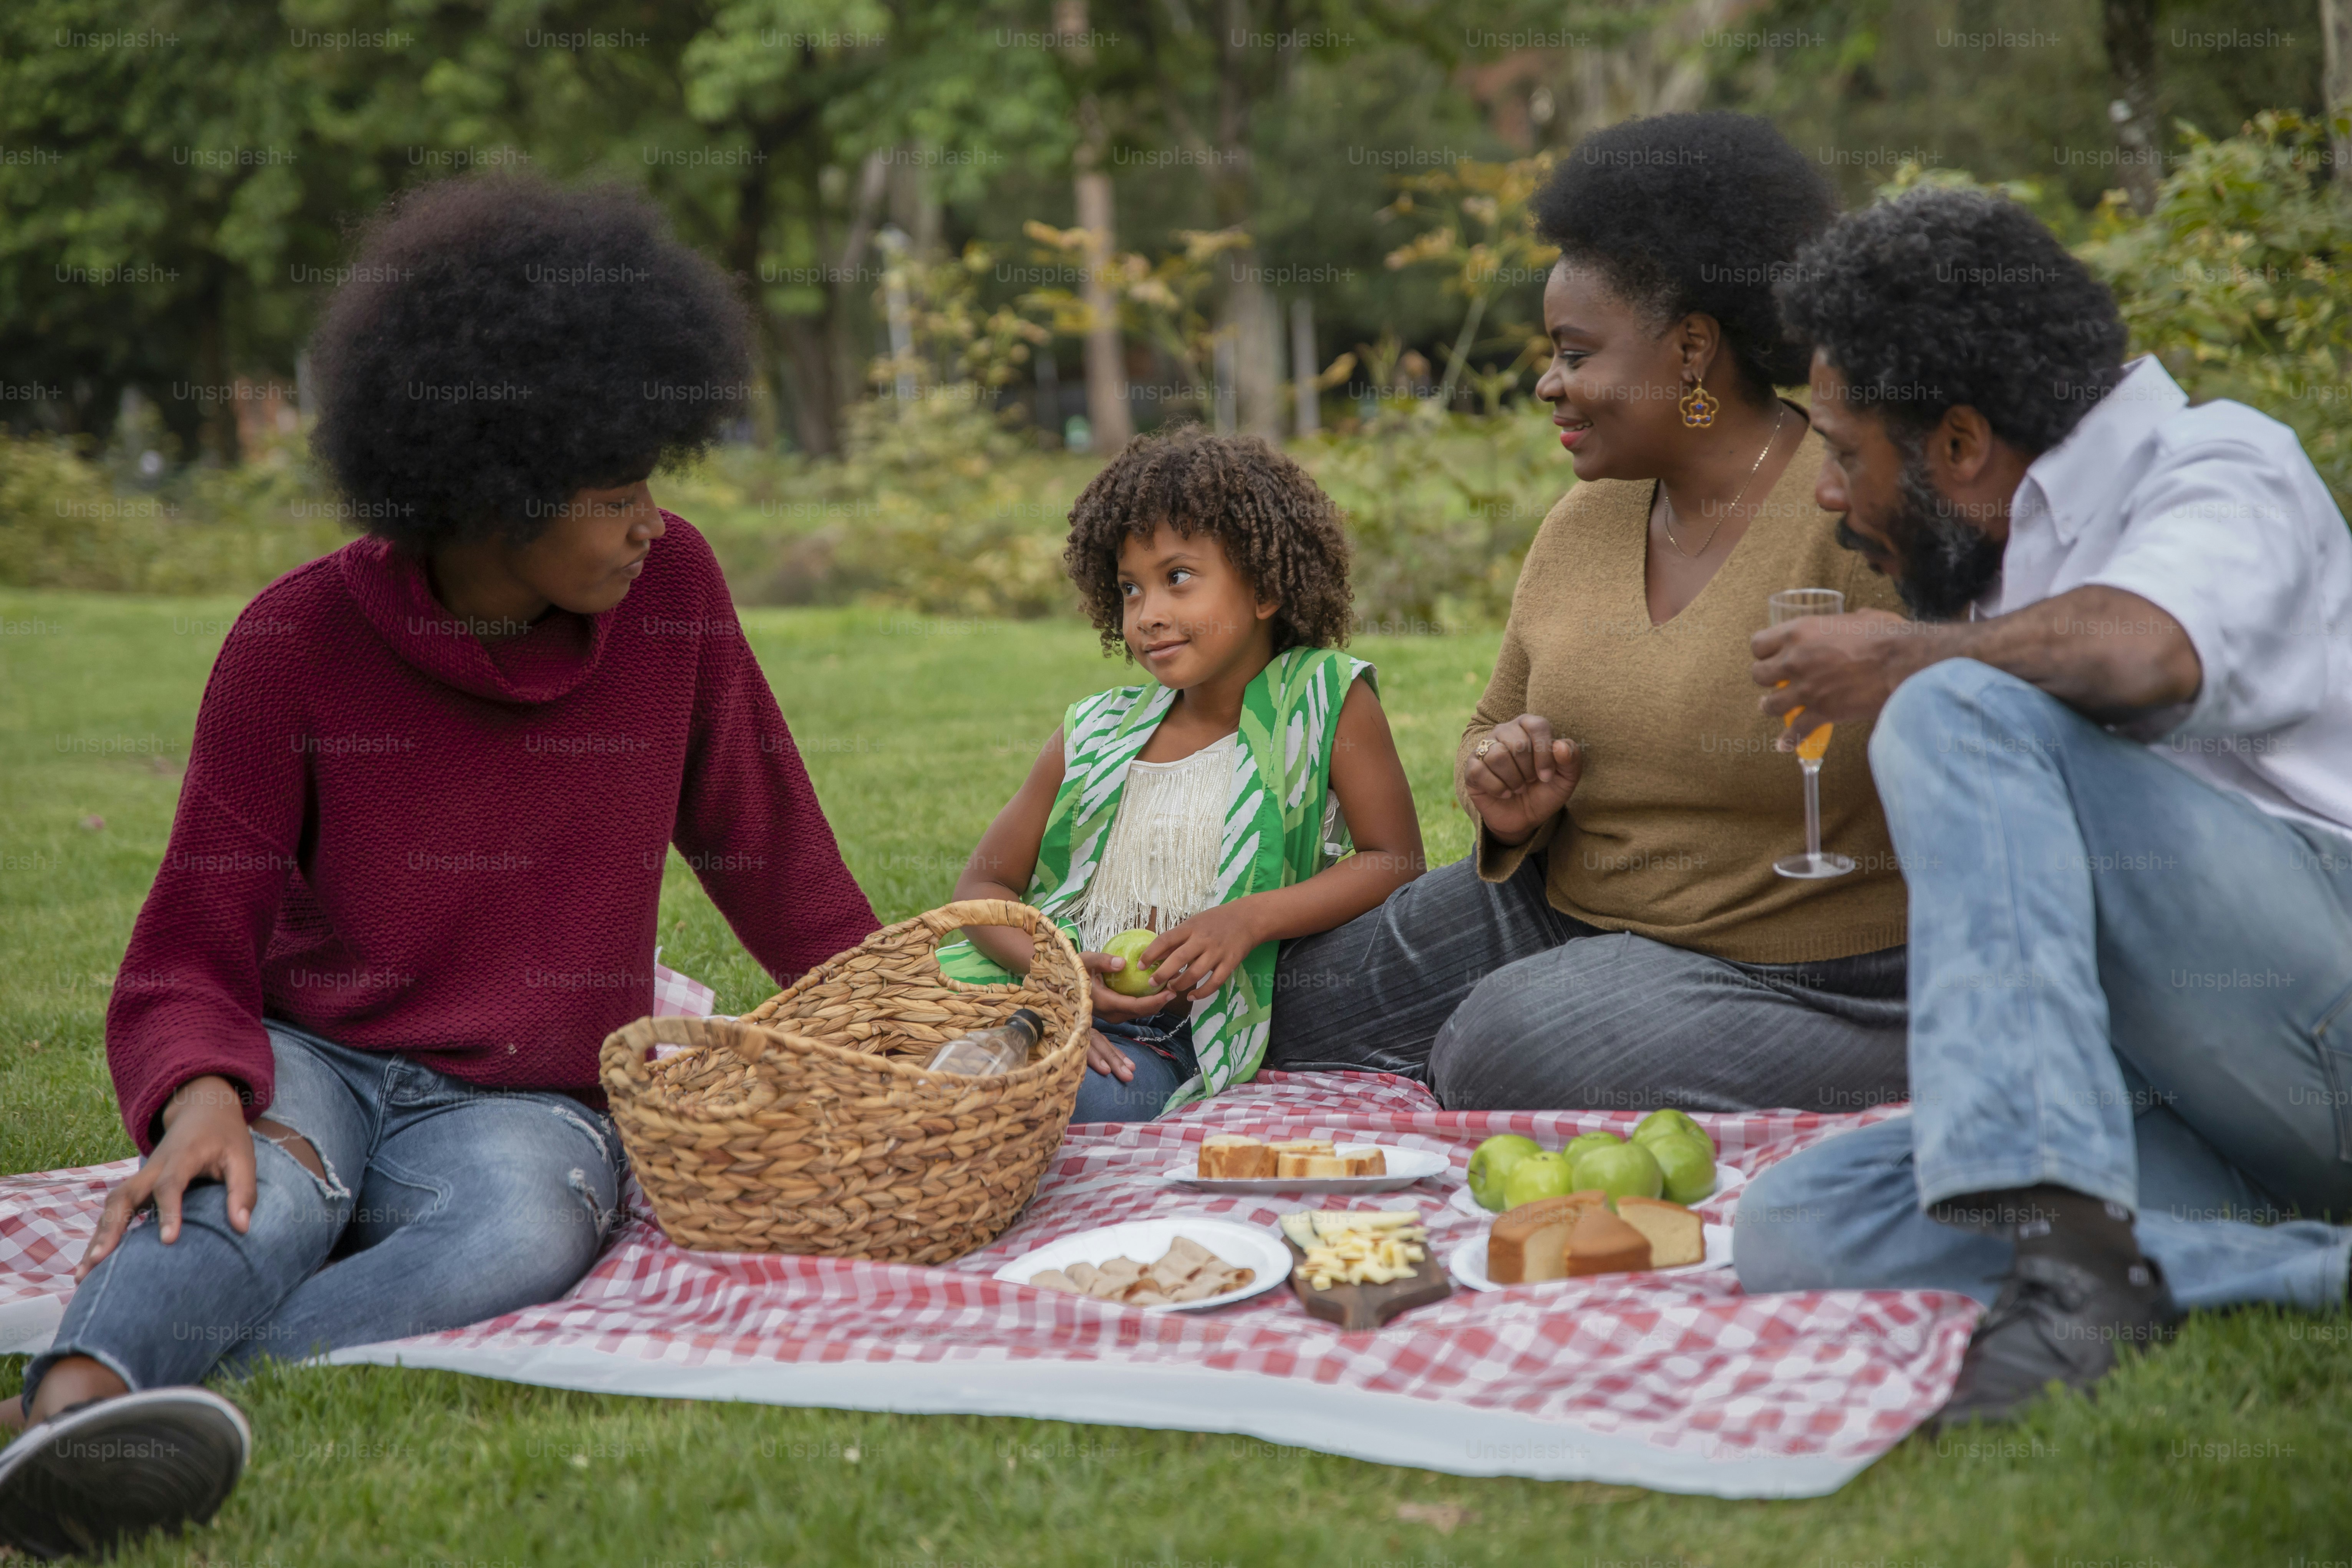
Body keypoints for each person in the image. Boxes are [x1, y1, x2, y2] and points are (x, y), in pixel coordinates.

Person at [0, 177, 878, 1555]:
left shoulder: (674, 593)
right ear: (492, 493)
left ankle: (179, 1403)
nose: (650, 519)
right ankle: (70, 1405)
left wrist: (909, 1019)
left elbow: (767, 846)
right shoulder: (290, 645)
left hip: (524, 1099)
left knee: (524, 1232)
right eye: (612, 491)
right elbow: (192, 938)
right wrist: (205, 1094)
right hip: (319, 1054)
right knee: (249, 1190)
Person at [1732, 186, 2352, 1426]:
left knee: (1951, 703)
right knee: (1799, 1223)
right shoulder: (2002, 570)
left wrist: (1905, 661)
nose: (1825, 494)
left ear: (1957, 444)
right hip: (2215, 1102)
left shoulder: (2223, 465)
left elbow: (2148, 651)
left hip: (2320, 1011)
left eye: (1845, 453)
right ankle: (2245, 1261)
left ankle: (2073, 1278)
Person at [1268, 111, 1913, 1112]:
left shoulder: (1845, 513)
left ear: (1691, 349)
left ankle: (1883, 1060)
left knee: (1498, 1047)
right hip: (1559, 904)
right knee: (1280, 1004)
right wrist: (1502, 787)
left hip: (1786, 966)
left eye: (1573, 353)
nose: (1546, 383)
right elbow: (1494, 722)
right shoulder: (1587, 516)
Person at [947, 426, 1425, 1121]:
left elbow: (1395, 860)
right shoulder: (1095, 730)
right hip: (1053, 1010)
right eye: (1130, 590)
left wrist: (1249, 918)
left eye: (1177, 578)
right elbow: (982, 888)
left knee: (1041, 1104)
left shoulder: (1323, 700)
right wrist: (1059, 977)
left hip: (1188, 1037)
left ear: (1265, 588)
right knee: (920, 1066)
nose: (1149, 615)